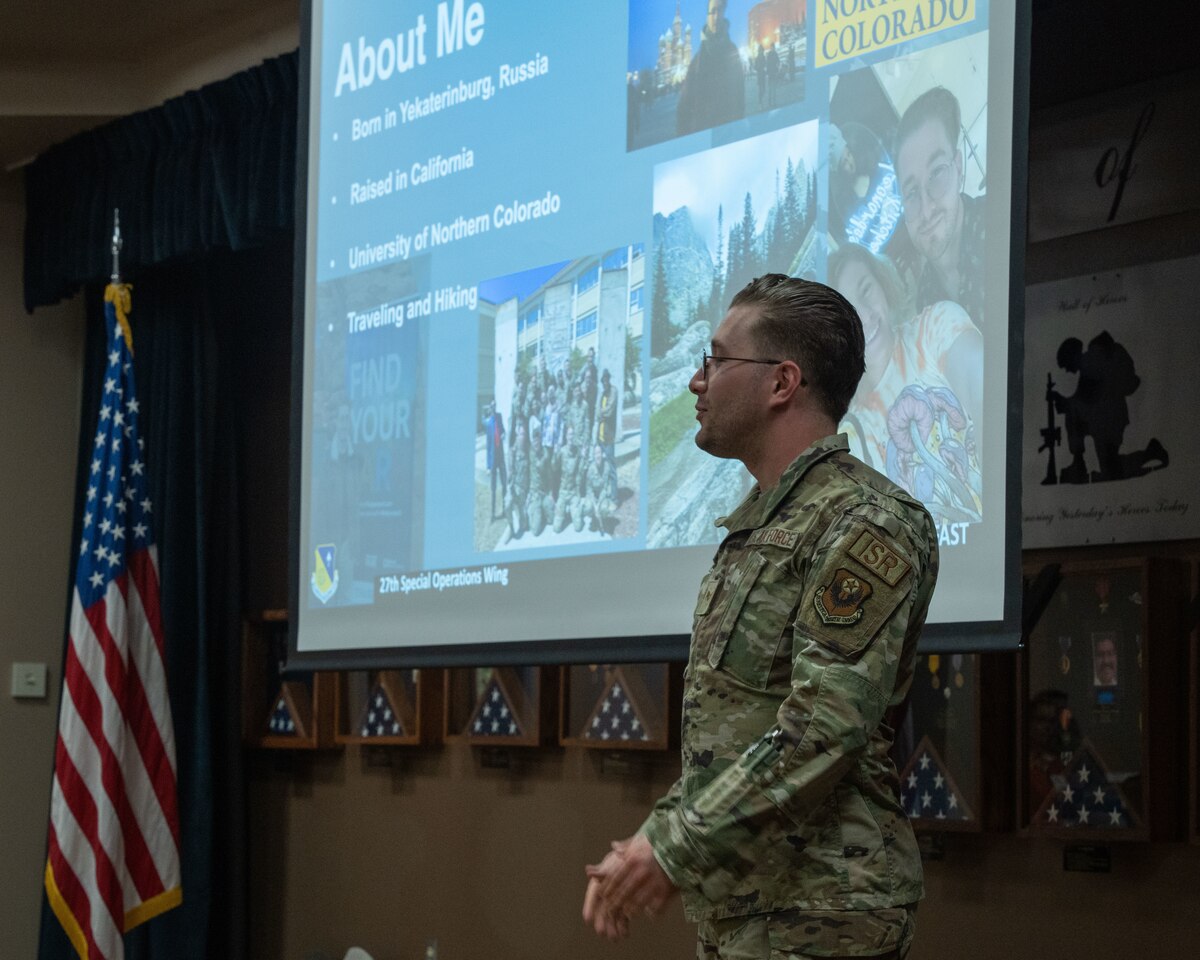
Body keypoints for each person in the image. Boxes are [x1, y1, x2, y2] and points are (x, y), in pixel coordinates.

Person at [583, 274, 939, 958]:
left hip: (822, 913)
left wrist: (675, 845)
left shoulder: (866, 523)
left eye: (715, 359)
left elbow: (822, 729)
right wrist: (658, 837)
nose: (697, 381)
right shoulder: (757, 527)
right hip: (748, 906)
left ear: (782, 383)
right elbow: (739, 728)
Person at [829, 243, 983, 524]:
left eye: (866, 290)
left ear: (883, 284)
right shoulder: (845, 429)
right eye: (847, 311)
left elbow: (984, 391)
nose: (863, 315)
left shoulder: (936, 328)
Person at [893, 87, 985, 327]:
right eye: (911, 192)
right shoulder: (925, 303)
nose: (926, 209)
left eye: (936, 173)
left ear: (958, 167)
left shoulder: (1003, 231)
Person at [1051, 331, 1167, 483]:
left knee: (1111, 470)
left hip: (1108, 422)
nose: (1067, 370)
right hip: (1106, 420)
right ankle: (1150, 452)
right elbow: (1085, 399)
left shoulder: (1091, 362)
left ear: (1072, 357)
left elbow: (1087, 401)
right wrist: (1065, 403)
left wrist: (1064, 403)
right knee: (1111, 468)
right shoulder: (1090, 363)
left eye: (1066, 365)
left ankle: (1079, 464)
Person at [676, 0, 745, 137]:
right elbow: (683, 109)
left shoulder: (732, 52)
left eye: (720, 10)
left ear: (724, 13)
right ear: (707, 15)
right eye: (712, 11)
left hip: (728, 136)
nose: (716, 16)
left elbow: (739, 99)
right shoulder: (697, 61)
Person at [482, 403, 507, 520]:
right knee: (493, 488)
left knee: (504, 485)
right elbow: (488, 446)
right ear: (489, 409)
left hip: (501, 457)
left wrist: (503, 434)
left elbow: (503, 431)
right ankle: (492, 514)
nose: (493, 408)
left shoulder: (499, 417)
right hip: (493, 459)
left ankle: (505, 509)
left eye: (495, 405)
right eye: (491, 406)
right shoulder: (488, 423)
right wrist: (488, 465)